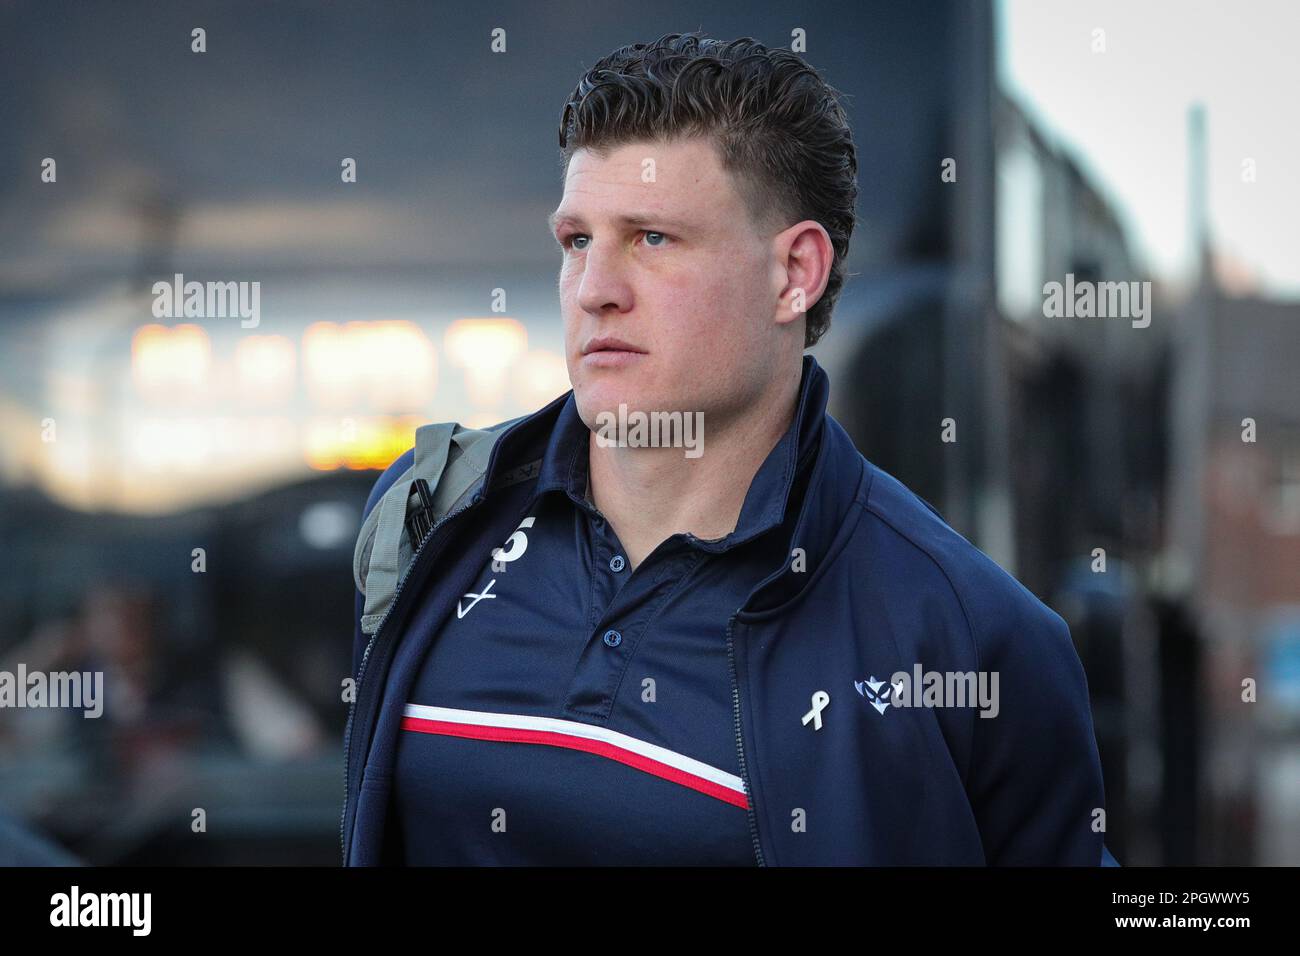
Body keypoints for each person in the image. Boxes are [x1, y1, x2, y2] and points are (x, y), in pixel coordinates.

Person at [342, 32, 1111, 866]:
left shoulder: (966, 634)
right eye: (577, 242)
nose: (595, 289)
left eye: (652, 239)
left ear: (795, 274)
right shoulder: (436, 516)